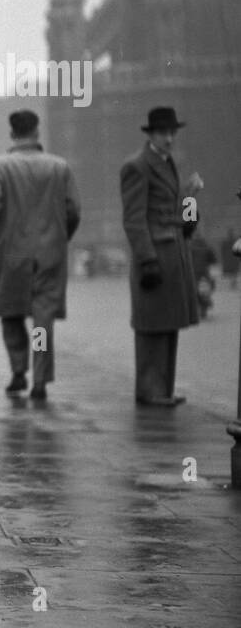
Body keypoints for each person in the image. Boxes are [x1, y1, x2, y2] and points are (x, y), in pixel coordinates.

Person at [0, 109, 80, 401]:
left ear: (12, 134)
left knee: (10, 313)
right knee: (42, 317)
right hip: (50, 254)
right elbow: (73, 210)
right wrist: (60, 238)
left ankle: (18, 370)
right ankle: (40, 379)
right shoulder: (59, 167)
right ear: (37, 132)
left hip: (12, 253)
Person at [119, 107, 201, 406]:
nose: (169, 139)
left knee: (168, 324)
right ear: (151, 134)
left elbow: (181, 215)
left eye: (172, 133)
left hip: (173, 252)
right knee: (152, 325)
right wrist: (147, 260)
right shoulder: (138, 166)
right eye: (163, 133)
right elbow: (133, 219)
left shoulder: (168, 164)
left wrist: (191, 196)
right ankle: (150, 391)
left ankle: (163, 390)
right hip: (154, 256)